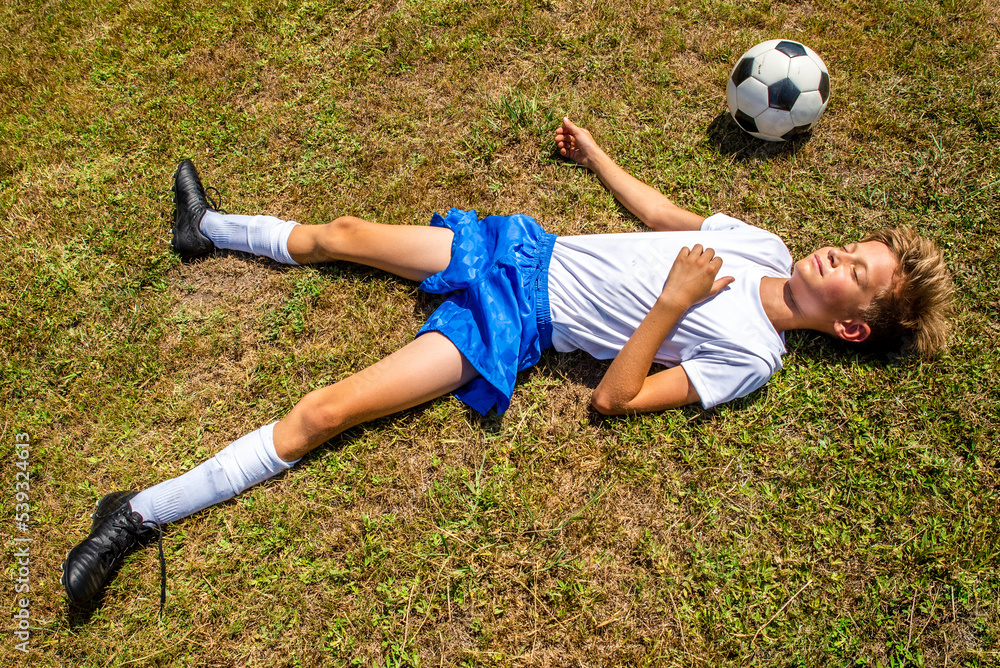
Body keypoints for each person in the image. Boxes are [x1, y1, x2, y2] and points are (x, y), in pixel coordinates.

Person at [61, 118, 952, 608]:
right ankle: (206, 228)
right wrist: (601, 158)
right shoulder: (764, 242)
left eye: (855, 273)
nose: (835, 256)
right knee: (342, 237)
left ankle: (137, 514)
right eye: (849, 247)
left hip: (516, 328)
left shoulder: (754, 357)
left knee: (328, 411)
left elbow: (614, 399)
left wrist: (674, 304)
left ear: (851, 328)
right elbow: (667, 219)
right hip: (519, 251)